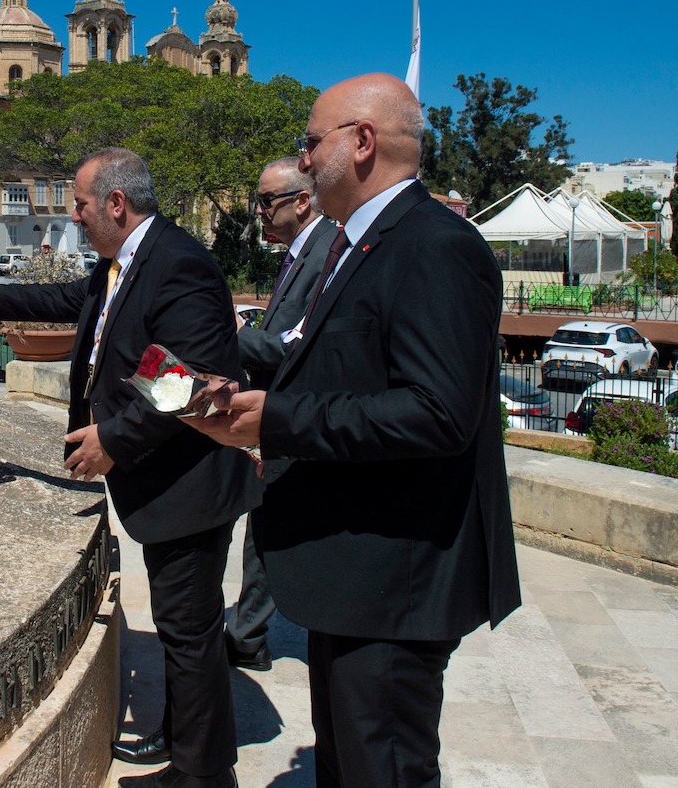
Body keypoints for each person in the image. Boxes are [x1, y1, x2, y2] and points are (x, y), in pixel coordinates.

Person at [183, 74, 522, 788]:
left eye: (311, 142)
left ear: (362, 141)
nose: (302, 161)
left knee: (383, 769)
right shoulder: (358, 245)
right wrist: (251, 397)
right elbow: (345, 373)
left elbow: (438, 412)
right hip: (354, 577)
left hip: (397, 586)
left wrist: (277, 420)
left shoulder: (435, 245)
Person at [0, 148, 254, 788]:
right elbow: (68, 299)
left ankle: (203, 775)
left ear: (116, 203)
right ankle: (188, 744)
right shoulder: (122, 262)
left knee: (189, 635)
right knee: (181, 631)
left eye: (81, 205)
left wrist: (114, 438)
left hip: (188, 481)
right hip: (164, 475)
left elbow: (185, 378)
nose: (76, 218)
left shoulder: (181, 266)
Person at [223, 157, 337, 672]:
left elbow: (299, 347)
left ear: (302, 200)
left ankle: (247, 635)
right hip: (284, 416)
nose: (259, 212)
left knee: (270, 527)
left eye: (267, 201)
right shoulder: (302, 251)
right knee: (271, 526)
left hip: (297, 416)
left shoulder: (326, 251)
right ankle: (250, 632)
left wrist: (238, 335)